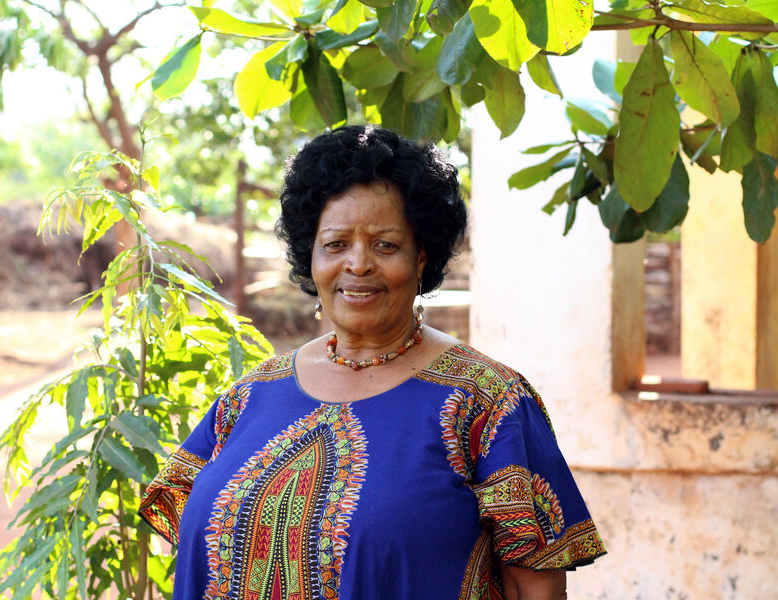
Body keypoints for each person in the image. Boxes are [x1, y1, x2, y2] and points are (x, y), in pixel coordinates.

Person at [139, 126, 605, 600]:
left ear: (421, 257)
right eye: (336, 244)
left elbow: (536, 588)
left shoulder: (491, 405)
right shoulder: (251, 395)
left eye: (385, 245)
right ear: (312, 257)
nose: (358, 264)